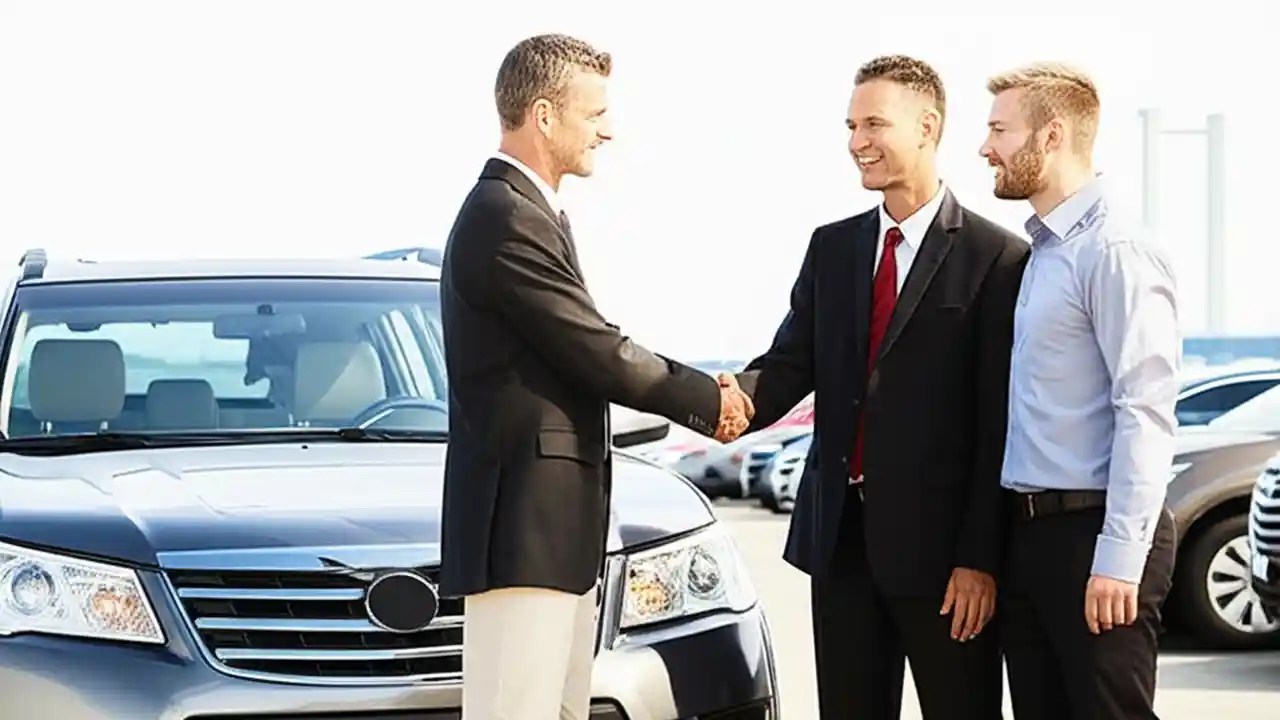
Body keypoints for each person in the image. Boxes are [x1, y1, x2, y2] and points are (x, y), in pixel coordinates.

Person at [436, 33, 754, 720]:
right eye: (594, 113)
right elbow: (596, 349)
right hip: (521, 531)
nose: (608, 130)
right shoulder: (504, 216)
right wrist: (707, 398)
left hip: (550, 534)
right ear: (545, 116)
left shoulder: (526, 211)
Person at [720, 55, 1027, 719]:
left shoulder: (997, 258)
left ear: (928, 126)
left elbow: (996, 424)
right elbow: (785, 368)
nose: (858, 140)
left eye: (874, 123)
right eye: (852, 124)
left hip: (948, 564)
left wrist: (980, 560)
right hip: (842, 547)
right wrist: (700, 397)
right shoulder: (831, 249)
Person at [979, 62, 1180, 720]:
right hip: (1032, 536)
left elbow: (1144, 410)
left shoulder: (1114, 250)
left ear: (1053, 134)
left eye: (1000, 130)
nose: (986, 148)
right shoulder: (1041, 255)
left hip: (1096, 536)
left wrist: (1120, 558)